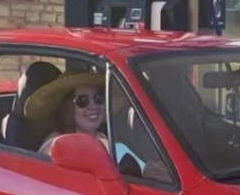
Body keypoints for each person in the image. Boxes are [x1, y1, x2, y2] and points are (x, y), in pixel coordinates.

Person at [23, 70, 170, 183]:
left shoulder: (103, 138)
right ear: (68, 108)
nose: (93, 106)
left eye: (98, 98)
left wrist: (150, 172)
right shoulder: (55, 146)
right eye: (82, 101)